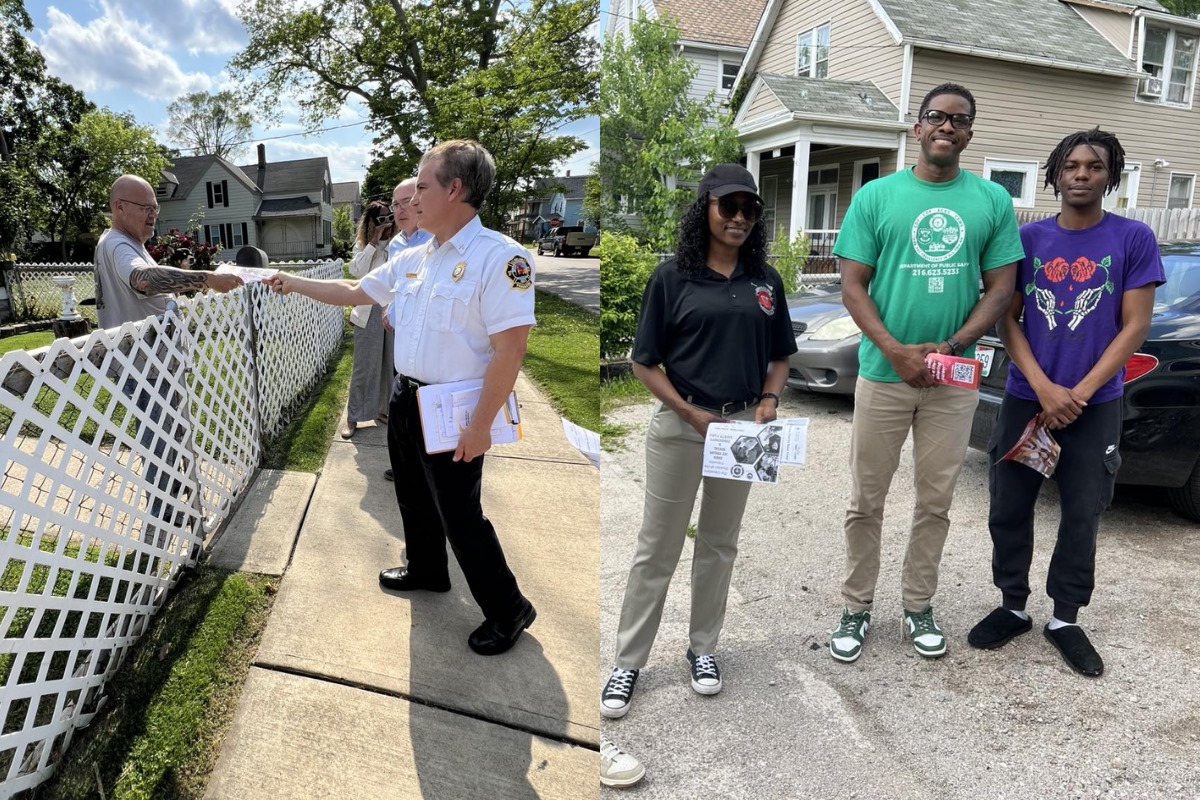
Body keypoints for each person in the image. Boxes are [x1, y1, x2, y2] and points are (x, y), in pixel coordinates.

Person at [264, 140, 538, 656]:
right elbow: (353, 292)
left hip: (455, 407)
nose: (413, 196)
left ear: (455, 189)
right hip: (406, 398)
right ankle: (428, 569)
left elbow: (511, 349)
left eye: (425, 185)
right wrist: (292, 282)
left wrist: (480, 425)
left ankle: (508, 607)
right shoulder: (415, 258)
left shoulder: (500, 258)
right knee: (412, 494)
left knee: (460, 513)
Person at [827, 83, 1024, 663]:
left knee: (935, 501)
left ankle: (918, 605)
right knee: (866, 501)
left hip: (952, 379)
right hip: (883, 374)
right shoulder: (876, 197)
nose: (947, 126)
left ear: (969, 132)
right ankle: (856, 606)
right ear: (917, 128)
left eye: (959, 120)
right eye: (936, 117)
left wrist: (953, 345)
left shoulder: (990, 201)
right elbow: (852, 284)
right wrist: (896, 350)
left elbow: (1002, 288)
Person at [600, 164, 795, 719]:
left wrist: (768, 400)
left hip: (740, 433)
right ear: (705, 208)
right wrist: (688, 413)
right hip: (682, 429)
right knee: (656, 547)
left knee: (718, 543)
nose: (738, 218)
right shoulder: (672, 277)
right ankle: (628, 660)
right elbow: (643, 362)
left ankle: (703, 648)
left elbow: (779, 357)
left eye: (749, 210)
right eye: (728, 206)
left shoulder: (765, 282)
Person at [967, 129, 1164, 676]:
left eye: (1094, 167)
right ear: (1055, 174)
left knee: (1083, 510)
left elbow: (1136, 326)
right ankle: (1012, 606)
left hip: (1094, 403)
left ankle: (1065, 618)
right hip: (1027, 396)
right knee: (1008, 505)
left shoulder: (1133, 238)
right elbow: (1007, 316)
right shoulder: (1027, 240)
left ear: (1110, 176)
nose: (1081, 174)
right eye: (1071, 166)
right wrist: (1045, 389)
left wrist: (1077, 393)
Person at [95, 175, 242, 329]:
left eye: (155, 208)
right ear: (120, 207)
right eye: (146, 208)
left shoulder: (126, 242)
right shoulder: (118, 244)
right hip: (143, 351)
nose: (154, 215)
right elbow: (142, 279)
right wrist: (209, 279)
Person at [382, 177, 434, 479]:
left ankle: (427, 466)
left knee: (426, 405)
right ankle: (404, 464)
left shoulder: (434, 240)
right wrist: (388, 307)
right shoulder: (396, 244)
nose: (400, 210)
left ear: (420, 203)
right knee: (402, 397)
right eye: (395, 204)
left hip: (428, 335)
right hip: (402, 333)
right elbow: (393, 286)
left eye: (407, 202)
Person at [341, 200, 396, 440]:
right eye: (380, 218)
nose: (386, 222)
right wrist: (373, 241)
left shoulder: (399, 244)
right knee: (364, 366)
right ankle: (353, 416)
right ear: (371, 222)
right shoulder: (363, 246)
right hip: (368, 311)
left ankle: (383, 410)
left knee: (390, 364)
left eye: (388, 217)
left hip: (393, 310)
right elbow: (357, 271)